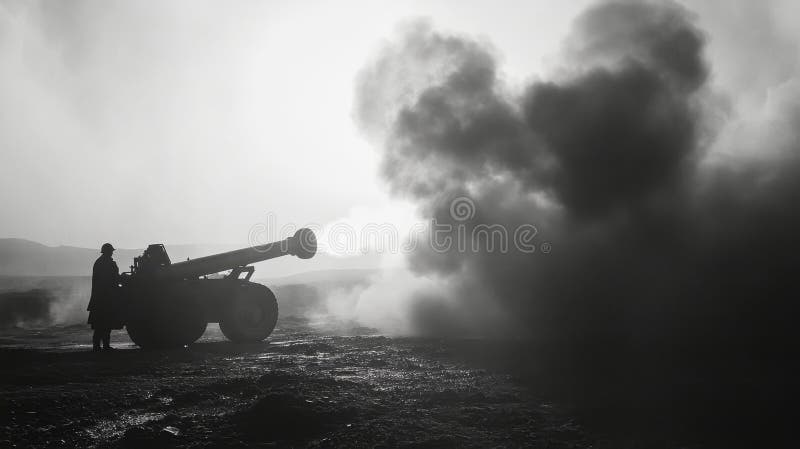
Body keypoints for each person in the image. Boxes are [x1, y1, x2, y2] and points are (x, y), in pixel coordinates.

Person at [87, 243, 120, 351]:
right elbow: (113, 278)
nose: (112, 253)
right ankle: (100, 346)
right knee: (103, 323)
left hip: (100, 297)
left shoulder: (100, 262)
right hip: (105, 298)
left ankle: (101, 346)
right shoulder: (106, 263)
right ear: (107, 252)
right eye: (111, 251)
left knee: (102, 324)